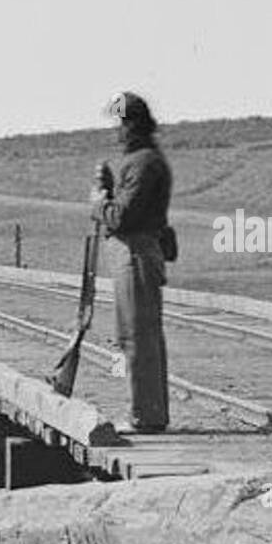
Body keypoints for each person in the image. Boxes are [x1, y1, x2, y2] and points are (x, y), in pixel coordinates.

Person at [90, 91, 171, 434]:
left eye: (119, 123)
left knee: (138, 337)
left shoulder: (142, 163)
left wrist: (99, 202)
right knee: (136, 336)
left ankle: (146, 416)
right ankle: (146, 412)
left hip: (135, 254)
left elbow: (122, 218)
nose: (116, 131)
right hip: (133, 253)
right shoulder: (141, 161)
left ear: (132, 124)